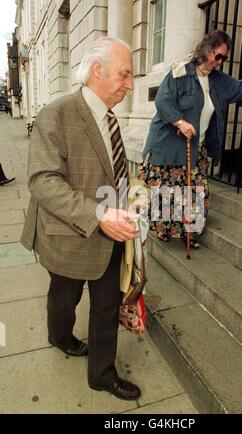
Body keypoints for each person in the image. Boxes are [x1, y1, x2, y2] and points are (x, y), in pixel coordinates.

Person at [21, 37, 143, 401]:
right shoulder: (56, 114)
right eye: (125, 74)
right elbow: (42, 181)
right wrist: (98, 214)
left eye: (132, 76)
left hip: (111, 233)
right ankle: (60, 337)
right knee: (64, 298)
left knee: (106, 304)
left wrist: (131, 196)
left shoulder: (111, 118)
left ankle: (102, 374)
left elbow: (112, 172)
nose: (131, 84)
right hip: (68, 236)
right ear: (97, 70)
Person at [139, 30, 242, 248]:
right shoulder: (180, 71)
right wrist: (180, 122)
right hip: (169, 142)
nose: (220, 62)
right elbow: (163, 100)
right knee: (169, 188)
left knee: (196, 190)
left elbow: (240, 87)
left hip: (198, 144)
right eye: (218, 56)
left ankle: (190, 233)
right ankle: (165, 229)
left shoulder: (218, 80)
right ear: (207, 50)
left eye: (224, 58)